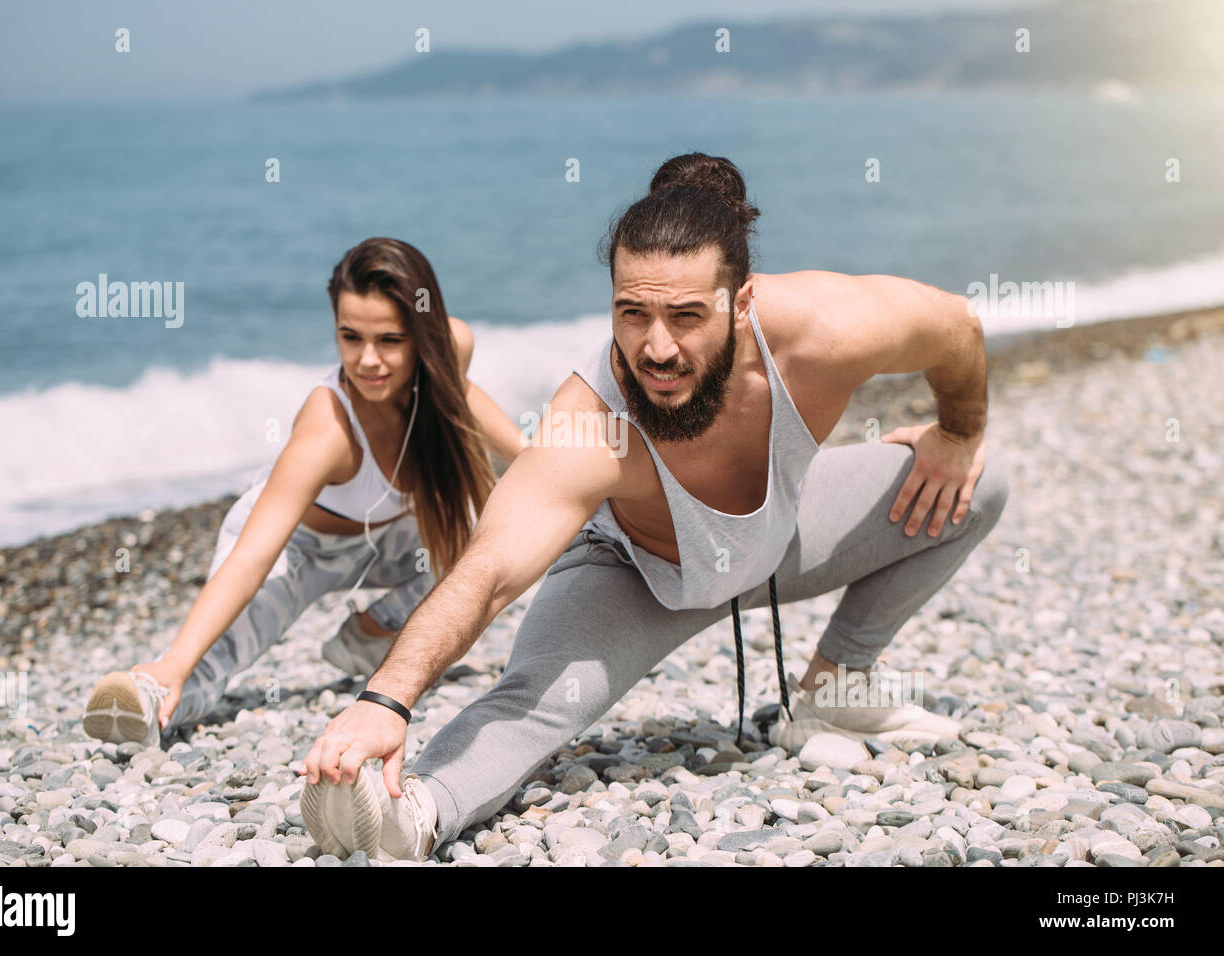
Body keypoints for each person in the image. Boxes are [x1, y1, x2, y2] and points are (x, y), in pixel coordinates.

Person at [296, 154, 1010, 863]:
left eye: (687, 315)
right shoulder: (590, 422)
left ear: (744, 302)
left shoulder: (828, 331)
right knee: (540, 703)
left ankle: (835, 683)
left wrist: (957, 433)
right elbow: (489, 571)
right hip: (637, 575)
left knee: (980, 483)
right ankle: (413, 815)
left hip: (777, 537)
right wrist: (385, 700)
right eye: (631, 314)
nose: (657, 348)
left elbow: (956, 327)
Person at [81, 237, 524, 750]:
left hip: (385, 540)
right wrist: (175, 664)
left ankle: (371, 633)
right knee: (214, 657)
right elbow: (252, 556)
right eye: (350, 337)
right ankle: (145, 702)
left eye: (390, 340)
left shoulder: (450, 347)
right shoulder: (328, 427)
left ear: (421, 332)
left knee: (489, 541)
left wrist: (531, 457)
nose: (369, 361)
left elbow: (459, 391)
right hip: (296, 551)